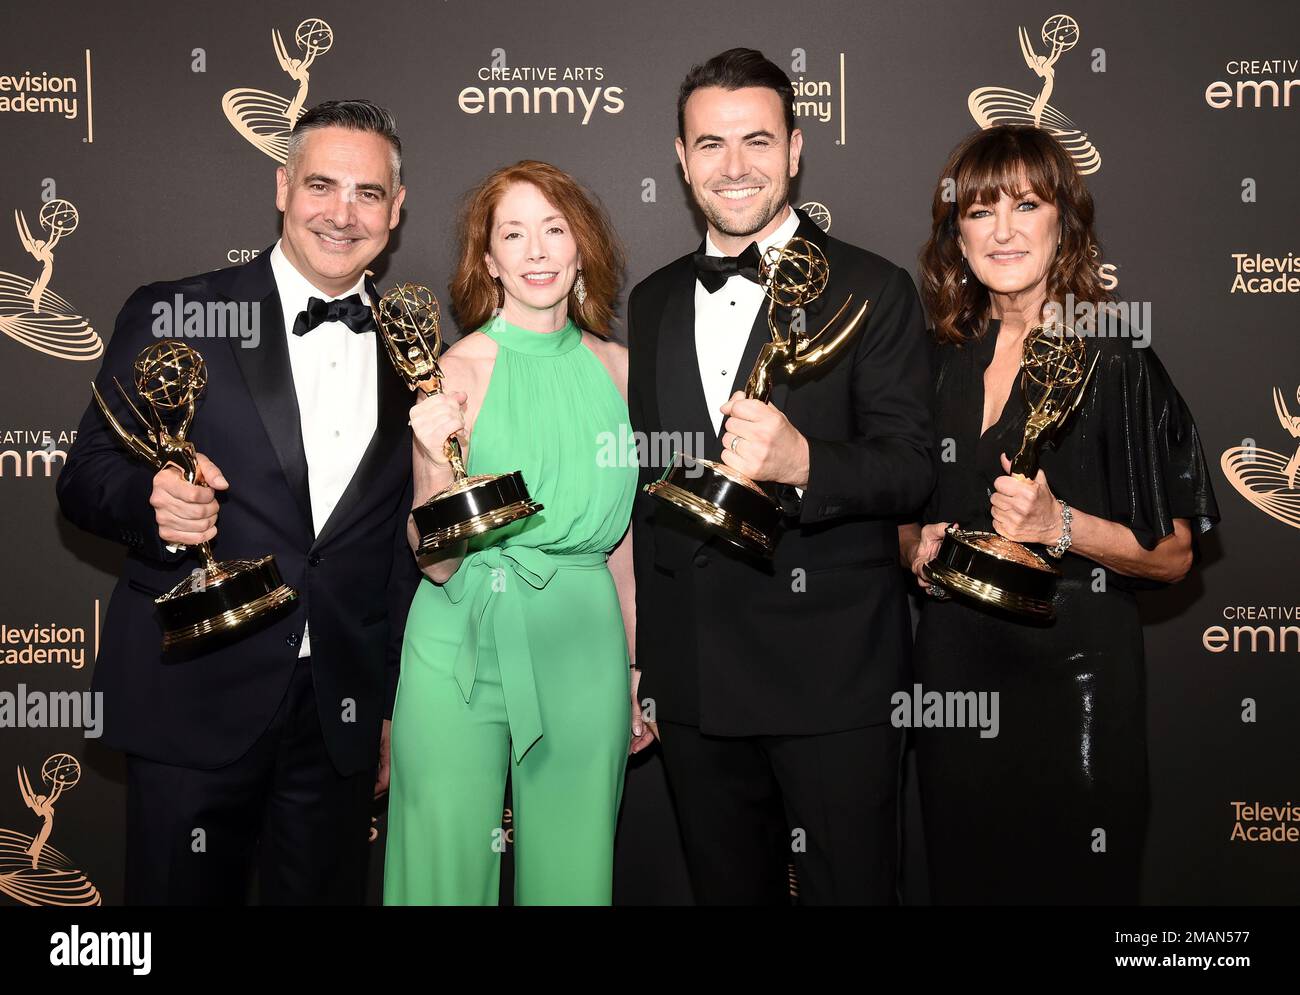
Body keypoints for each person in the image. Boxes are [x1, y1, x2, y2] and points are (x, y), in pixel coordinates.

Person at [57, 100, 419, 904]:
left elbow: (396, 546)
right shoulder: (178, 311)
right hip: (195, 691)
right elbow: (84, 474)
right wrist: (149, 504)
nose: (342, 212)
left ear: (396, 212)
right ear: (283, 187)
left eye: (368, 193)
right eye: (322, 185)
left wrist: (388, 701)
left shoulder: (413, 349)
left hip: (337, 715)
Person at [627, 48, 935, 905]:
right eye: (711, 144)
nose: (735, 166)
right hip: (694, 686)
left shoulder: (873, 287)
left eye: (757, 140)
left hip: (832, 681)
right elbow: (652, 500)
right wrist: (646, 667)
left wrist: (804, 464)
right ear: (681, 161)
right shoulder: (650, 300)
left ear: (796, 149)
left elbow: (913, 468)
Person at [900, 124, 1220, 904]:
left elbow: (1175, 553)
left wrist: (1059, 526)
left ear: (1062, 222)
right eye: (980, 212)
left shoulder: (1114, 356)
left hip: (1075, 674)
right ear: (957, 233)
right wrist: (916, 543)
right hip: (952, 673)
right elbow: (901, 506)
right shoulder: (938, 356)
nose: (1003, 230)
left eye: (1026, 205)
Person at [383, 161, 637, 905]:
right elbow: (433, 566)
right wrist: (433, 464)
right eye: (514, 234)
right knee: (442, 874)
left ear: (581, 247)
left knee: (573, 872)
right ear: (488, 259)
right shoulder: (454, 371)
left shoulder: (621, 371)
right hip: (462, 638)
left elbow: (619, 541)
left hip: (585, 641)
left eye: (554, 230)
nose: (536, 252)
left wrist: (632, 665)